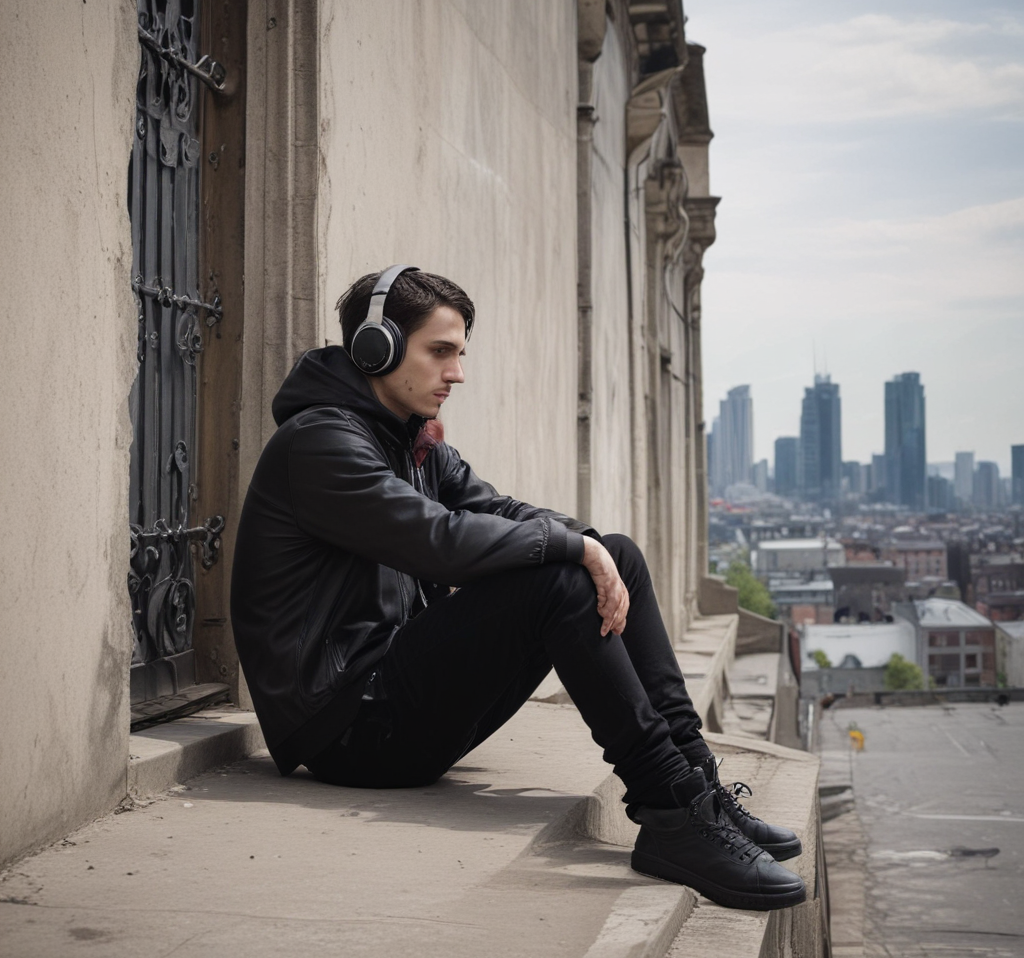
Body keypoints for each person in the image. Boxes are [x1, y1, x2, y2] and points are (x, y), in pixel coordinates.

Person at [231, 266, 806, 911]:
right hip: (349, 727)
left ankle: (698, 786)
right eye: (440, 352)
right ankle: (669, 811)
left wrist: (591, 547)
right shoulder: (320, 443)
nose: (457, 373)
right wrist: (574, 552)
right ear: (377, 347)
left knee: (616, 555)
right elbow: (439, 542)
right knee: (562, 576)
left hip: (396, 700)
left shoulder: (415, 446)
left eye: (460, 354)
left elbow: (498, 510)